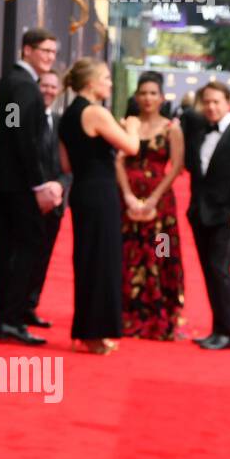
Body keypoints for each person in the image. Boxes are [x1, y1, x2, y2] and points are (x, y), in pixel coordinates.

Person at [0, 28, 65, 346]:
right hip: (17, 183)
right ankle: (10, 319)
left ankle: (6, 318)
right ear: (26, 50)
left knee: (10, 249)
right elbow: (17, 134)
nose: (49, 57)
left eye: (53, 53)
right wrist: (38, 183)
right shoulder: (20, 84)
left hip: (10, 180)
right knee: (22, 249)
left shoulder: (18, 83)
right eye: (45, 51)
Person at [58, 58, 141, 354]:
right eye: (106, 78)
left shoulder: (69, 114)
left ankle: (91, 331)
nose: (110, 83)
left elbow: (66, 164)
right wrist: (132, 126)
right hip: (100, 193)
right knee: (101, 262)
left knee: (89, 259)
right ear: (91, 83)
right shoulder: (95, 112)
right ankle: (94, 334)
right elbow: (132, 147)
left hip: (83, 191)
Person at [179, 82, 230, 350]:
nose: (211, 107)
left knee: (219, 270)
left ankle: (227, 332)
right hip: (201, 214)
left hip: (227, 217)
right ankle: (217, 329)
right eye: (207, 102)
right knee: (210, 272)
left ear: (229, 103)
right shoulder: (200, 131)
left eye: (216, 102)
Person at [114, 71, 185, 339]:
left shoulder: (171, 128)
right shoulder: (126, 125)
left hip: (162, 205)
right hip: (127, 200)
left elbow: (176, 166)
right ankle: (127, 310)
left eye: (153, 93)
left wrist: (154, 198)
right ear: (136, 96)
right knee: (128, 250)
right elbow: (118, 161)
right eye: (143, 93)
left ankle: (162, 310)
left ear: (162, 97)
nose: (147, 98)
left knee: (162, 252)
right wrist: (128, 195)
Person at [23, 69, 71, 330]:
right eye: (45, 86)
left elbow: (67, 165)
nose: (49, 91)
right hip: (29, 199)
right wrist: (39, 188)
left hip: (55, 202)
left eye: (54, 87)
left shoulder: (58, 121)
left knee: (44, 256)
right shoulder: (24, 119)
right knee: (24, 256)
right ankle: (14, 308)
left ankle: (31, 305)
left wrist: (59, 188)